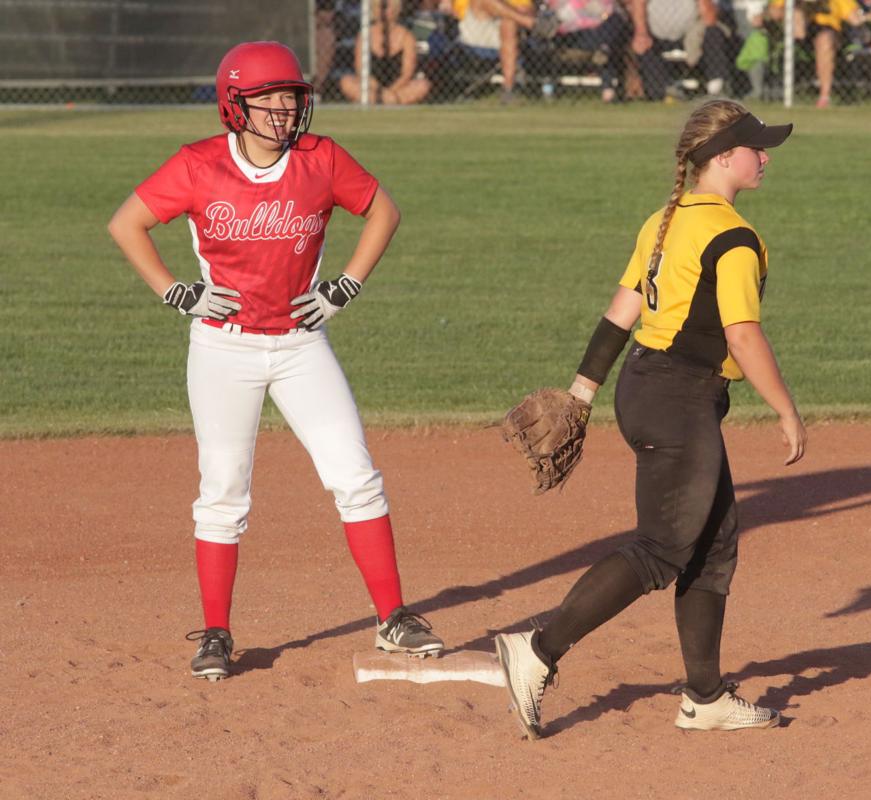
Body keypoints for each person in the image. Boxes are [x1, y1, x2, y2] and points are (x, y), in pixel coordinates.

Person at [106, 40, 444, 681]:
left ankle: (393, 618)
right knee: (223, 491)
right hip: (222, 347)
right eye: (269, 101)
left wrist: (345, 286)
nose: (286, 112)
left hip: (299, 345)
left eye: (292, 99)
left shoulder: (320, 160)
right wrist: (177, 291)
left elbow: (383, 210)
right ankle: (215, 633)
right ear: (234, 106)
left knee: (356, 475)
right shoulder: (199, 165)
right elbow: (127, 223)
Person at [494, 100, 807, 739]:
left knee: (712, 545)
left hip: (645, 386)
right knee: (663, 547)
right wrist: (787, 409)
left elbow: (621, 310)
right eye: (756, 146)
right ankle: (539, 649)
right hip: (679, 399)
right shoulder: (734, 238)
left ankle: (705, 696)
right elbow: (743, 336)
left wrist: (582, 392)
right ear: (723, 157)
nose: (766, 156)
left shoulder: (664, 220)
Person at [628, 0, 740, 99]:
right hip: (656, 38)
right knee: (641, 44)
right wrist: (641, 33)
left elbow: (709, 18)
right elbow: (638, 4)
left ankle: (716, 88)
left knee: (714, 32)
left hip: (690, 37)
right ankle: (664, 90)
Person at [339, 0, 433, 104]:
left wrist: (391, 92)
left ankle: (381, 101)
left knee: (422, 85)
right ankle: (386, 101)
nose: (382, 11)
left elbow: (407, 73)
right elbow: (360, 71)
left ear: (396, 10)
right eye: (379, 7)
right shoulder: (364, 35)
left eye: (387, 7)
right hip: (371, 88)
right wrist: (380, 92)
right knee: (346, 82)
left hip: (399, 88)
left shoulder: (406, 37)